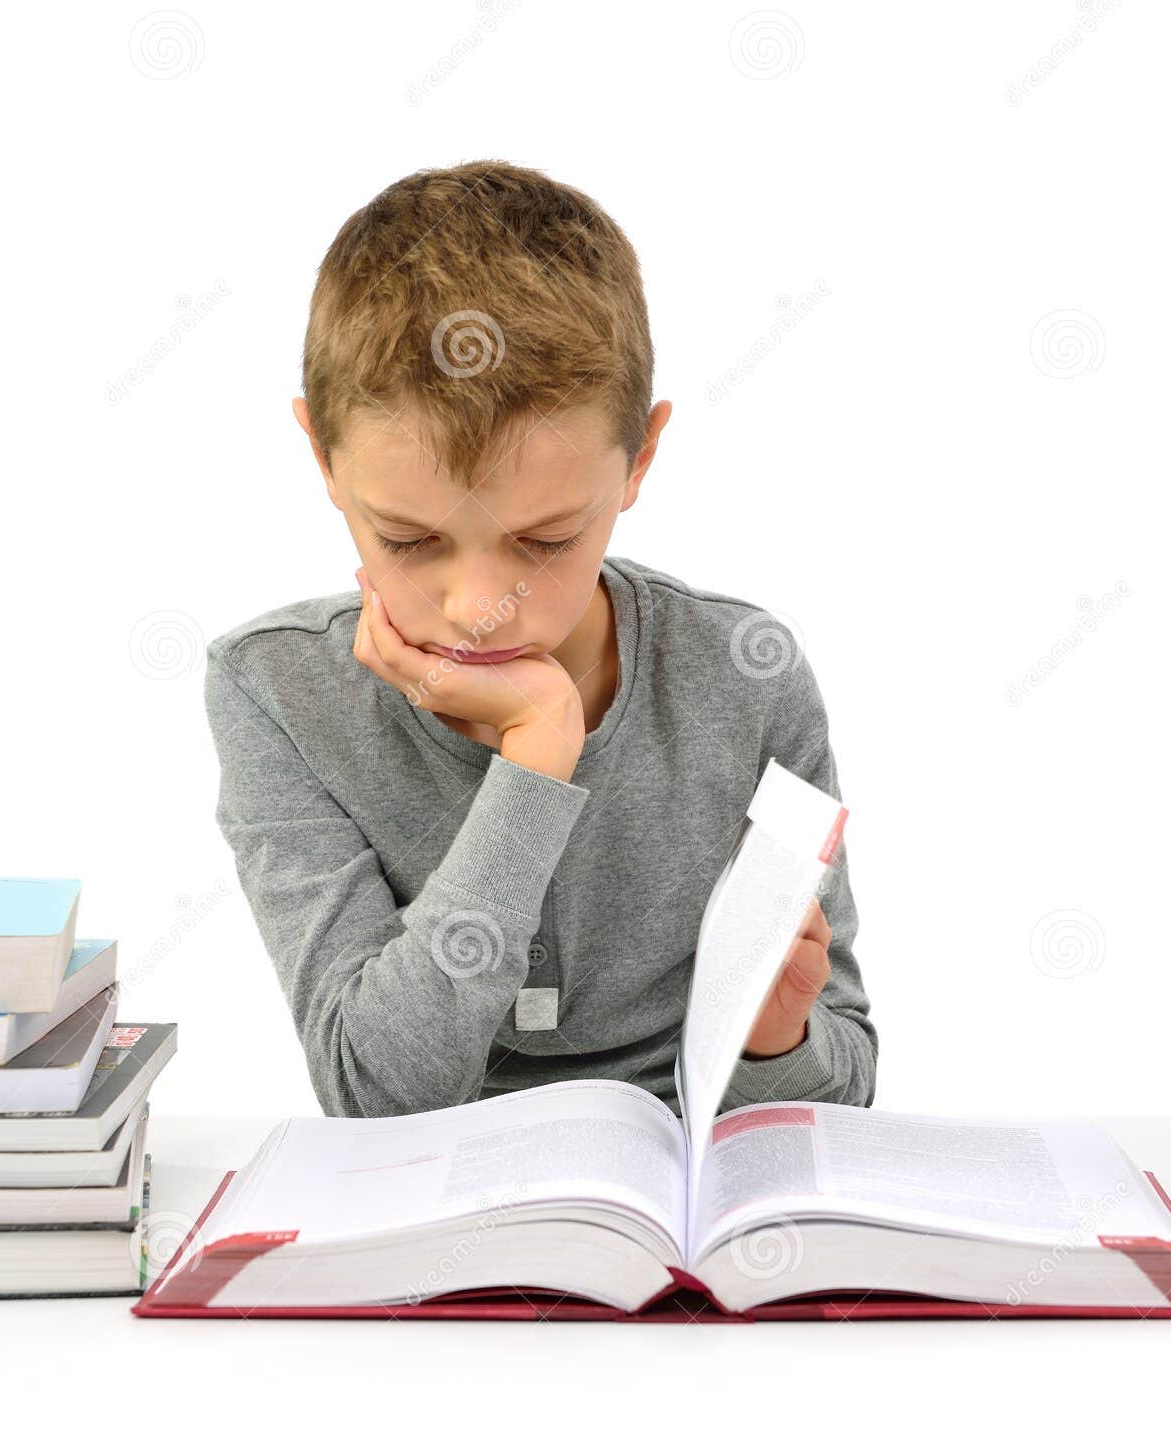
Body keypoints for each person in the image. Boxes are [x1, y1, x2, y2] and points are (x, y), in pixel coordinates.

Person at [203, 159, 877, 1120]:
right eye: (408, 539)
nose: (479, 604)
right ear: (322, 457)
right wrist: (538, 752)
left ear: (640, 457)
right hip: (436, 1229)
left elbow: (843, 1090)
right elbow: (375, 1097)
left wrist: (775, 1037)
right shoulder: (274, 692)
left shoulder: (748, 677)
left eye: (546, 541)